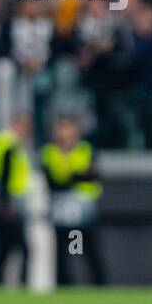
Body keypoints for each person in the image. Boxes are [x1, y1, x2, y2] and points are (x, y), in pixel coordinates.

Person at [41, 115, 106, 285]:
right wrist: (75, 176)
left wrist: (70, 178)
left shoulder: (85, 149)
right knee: (63, 251)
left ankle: (98, 285)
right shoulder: (50, 152)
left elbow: (91, 175)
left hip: (83, 210)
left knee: (86, 249)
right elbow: (53, 181)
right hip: (61, 210)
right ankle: (65, 285)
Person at [0, 112, 35, 286]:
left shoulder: (2, 142)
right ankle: (22, 282)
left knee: (4, 248)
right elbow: (6, 175)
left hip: (5, 202)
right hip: (10, 203)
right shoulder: (11, 145)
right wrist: (5, 203)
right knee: (22, 248)